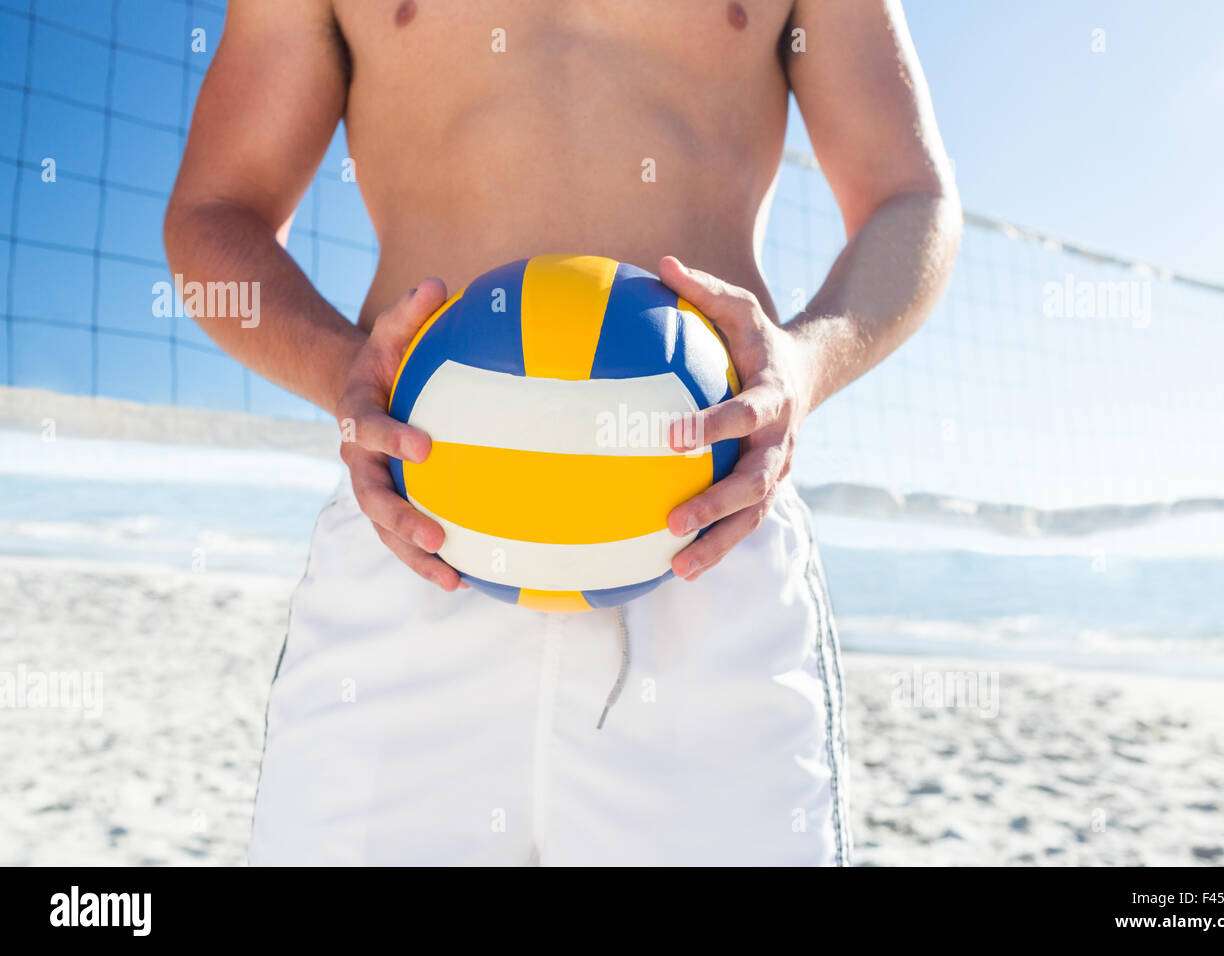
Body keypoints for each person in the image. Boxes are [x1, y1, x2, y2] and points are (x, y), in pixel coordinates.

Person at [164, 0, 960, 865]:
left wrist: (804, 364)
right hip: (415, 529)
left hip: (708, 535)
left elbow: (910, 197)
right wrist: (340, 372)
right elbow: (215, 210)